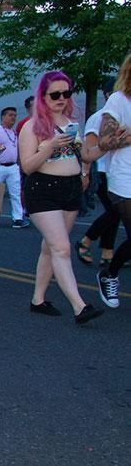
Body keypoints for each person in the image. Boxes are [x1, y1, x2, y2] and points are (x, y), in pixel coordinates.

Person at [18, 70, 103, 324]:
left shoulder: (70, 123)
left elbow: (86, 155)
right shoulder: (32, 126)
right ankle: (79, 306)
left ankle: (38, 299)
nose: (61, 99)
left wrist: (107, 144)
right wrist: (50, 147)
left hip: (70, 189)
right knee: (61, 247)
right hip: (43, 191)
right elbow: (28, 166)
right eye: (55, 94)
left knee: (50, 247)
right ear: (43, 96)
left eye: (66, 93)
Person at [93, 52, 131, 309]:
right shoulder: (119, 100)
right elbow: (104, 142)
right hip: (125, 176)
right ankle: (109, 273)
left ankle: (110, 272)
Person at [76, 82, 121, 269]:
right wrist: (85, 174)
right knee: (115, 211)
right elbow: (88, 148)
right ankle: (86, 240)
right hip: (101, 172)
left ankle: (107, 253)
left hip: (116, 172)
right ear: (107, 94)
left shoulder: (122, 115)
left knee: (115, 212)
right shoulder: (97, 118)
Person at [0, 107, 27, 227]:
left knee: (15, 193)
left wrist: (20, 165)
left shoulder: (14, 132)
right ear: (3, 117)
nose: (13, 118)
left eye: (15, 115)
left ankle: (18, 218)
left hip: (13, 167)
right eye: (10, 115)